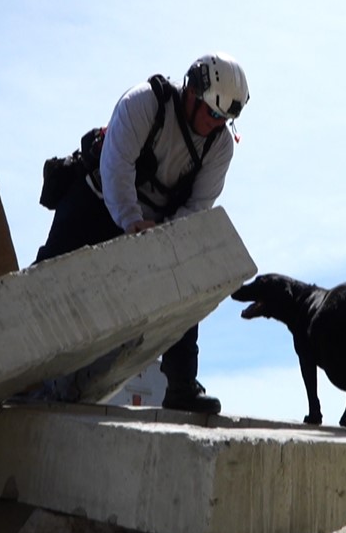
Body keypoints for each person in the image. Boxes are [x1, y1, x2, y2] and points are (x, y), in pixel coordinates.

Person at [34, 52, 250, 414]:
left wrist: (163, 239)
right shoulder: (143, 104)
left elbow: (198, 208)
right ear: (193, 93)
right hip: (99, 199)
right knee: (49, 277)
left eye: (223, 118)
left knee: (186, 280)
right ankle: (25, 372)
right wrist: (131, 221)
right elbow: (115, 167)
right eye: (213, 114)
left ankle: (181, 385)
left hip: (155, 225)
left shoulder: (219, 146)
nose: (216, 124)